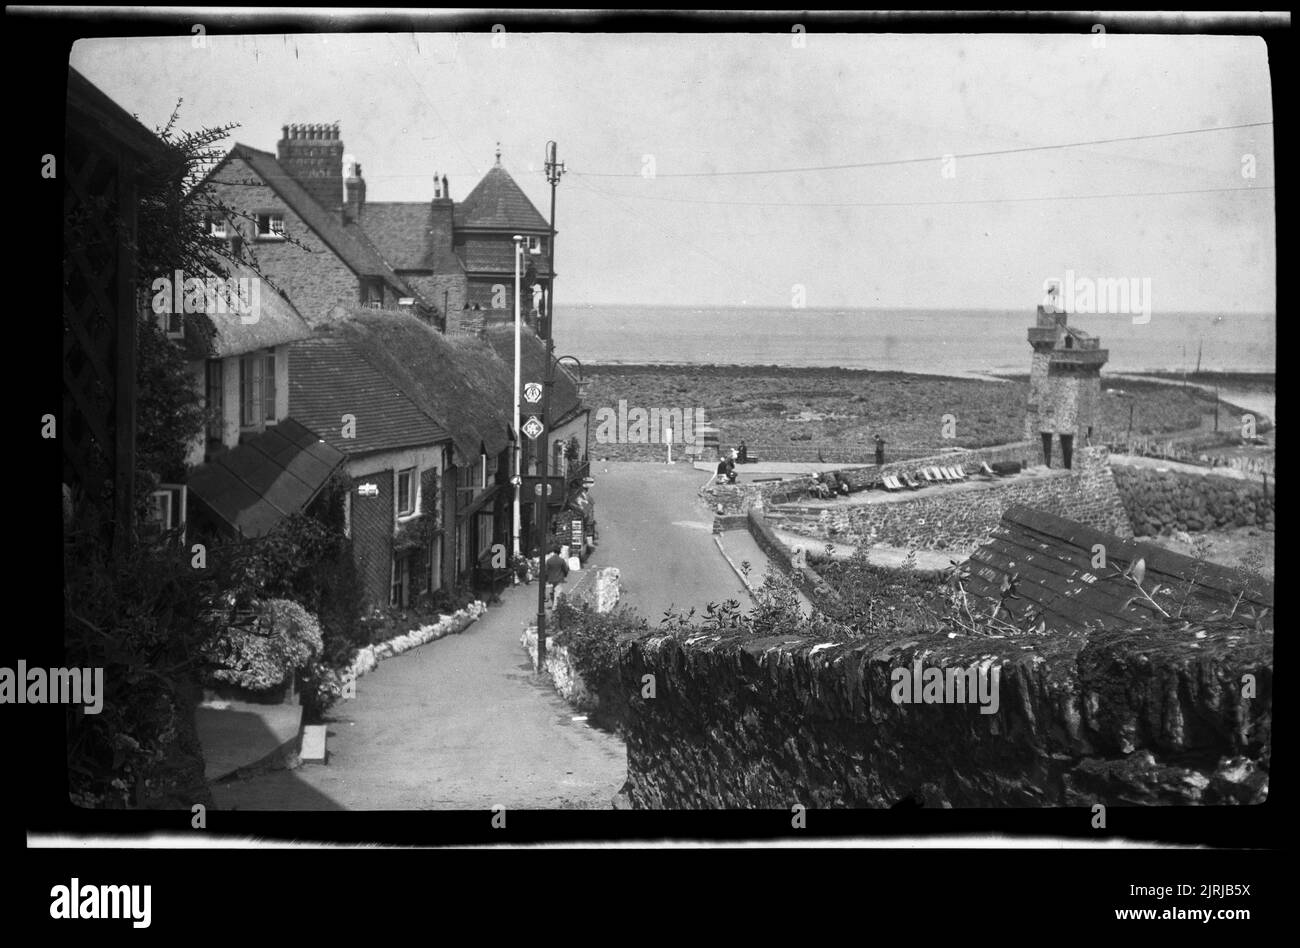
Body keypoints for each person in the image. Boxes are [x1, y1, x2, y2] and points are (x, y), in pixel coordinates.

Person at [545, 544, 569, 609]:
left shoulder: (549, 560)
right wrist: (565, 575)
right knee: (557, 593)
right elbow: (565, 569)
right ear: (559, 552)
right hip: (559, 579)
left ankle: (553, 604)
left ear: (553, 552)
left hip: (551, 579)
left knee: (552, 592)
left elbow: (546, 571)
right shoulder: (561, 560)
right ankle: (555, 608)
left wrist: (546, 578)